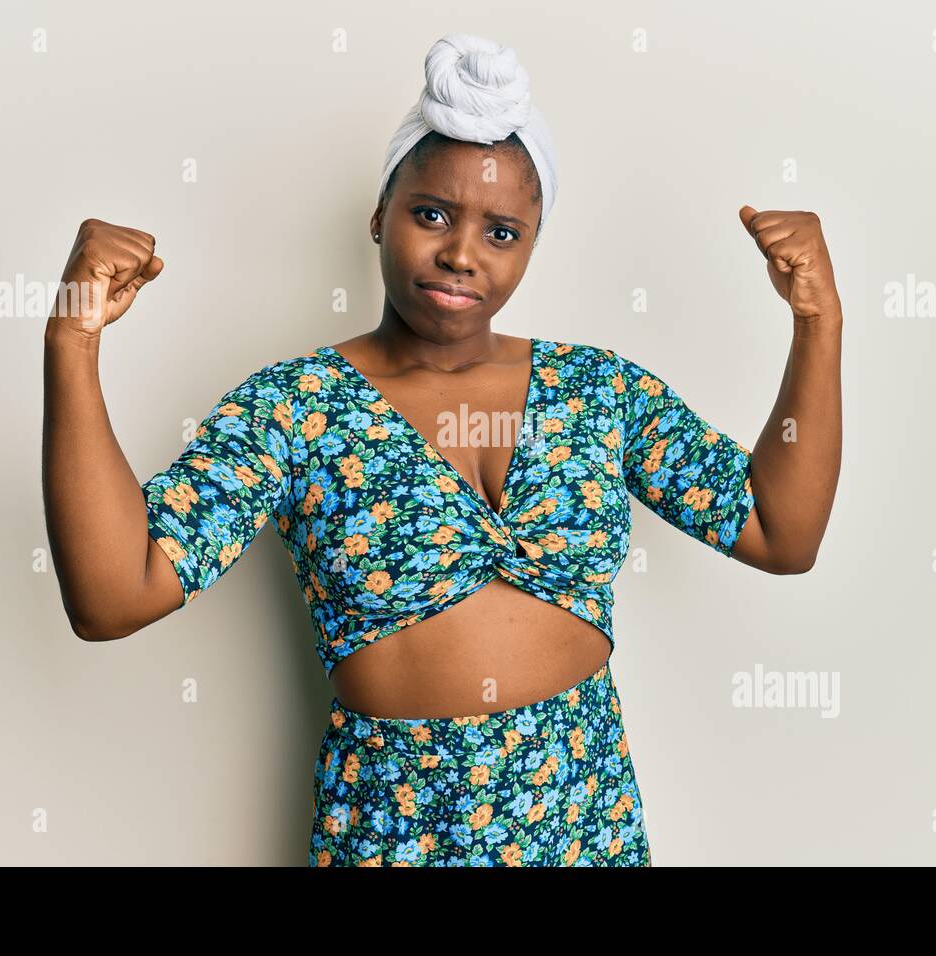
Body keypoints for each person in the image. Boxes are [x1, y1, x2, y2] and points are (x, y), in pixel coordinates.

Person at [41, 33, 843, 867]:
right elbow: (110, 599)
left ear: (532, 245)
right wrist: (72, 338)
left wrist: (819, 321)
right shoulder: (296, 408)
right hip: (394, 838)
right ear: (378, 215)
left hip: (587, 832)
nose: (462, 253)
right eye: (431, 214)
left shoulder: (598, 393)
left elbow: (780, 534)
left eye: (502, 232)